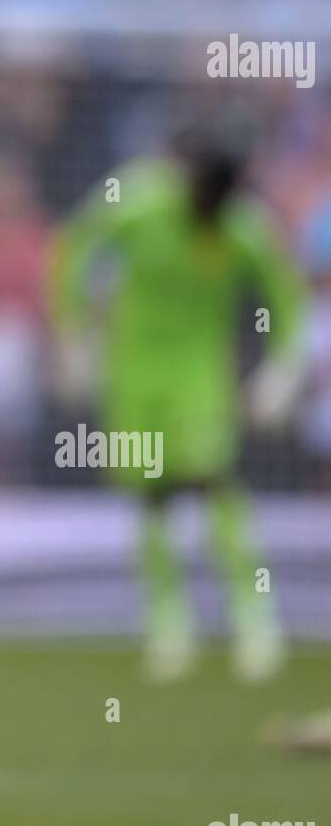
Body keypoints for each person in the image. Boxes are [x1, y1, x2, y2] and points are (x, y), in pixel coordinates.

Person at [49, 119, 306, 683]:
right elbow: (76, 248)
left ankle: (254, 617)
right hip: (133, 376)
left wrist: (282, 370)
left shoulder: (241, 229)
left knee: (213, 483)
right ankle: (169, 624)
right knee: (153, 500)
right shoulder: (138, 205)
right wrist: (72, 335)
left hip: (200, 379)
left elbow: (286, 299)